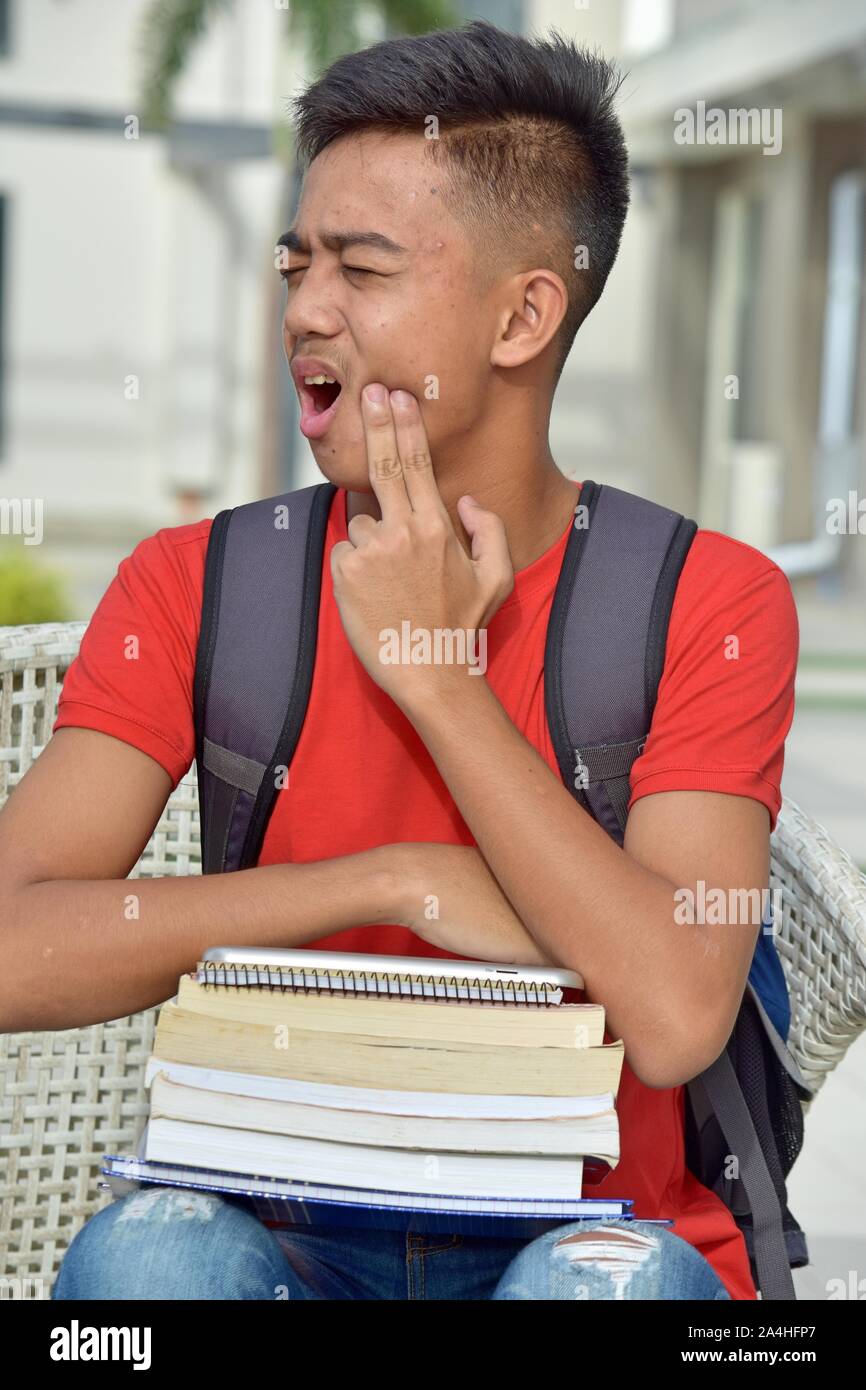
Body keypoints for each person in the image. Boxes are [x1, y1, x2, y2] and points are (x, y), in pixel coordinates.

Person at [2, 20, 797, 1301]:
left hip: (588, 1238)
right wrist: (388, 881)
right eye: (296, 263)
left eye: (361, 269)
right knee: (144, 1266)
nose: (307, 311)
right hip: (276, 1239)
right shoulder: (198, 585)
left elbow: (671, 1010)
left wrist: (435, 677)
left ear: (523, 313)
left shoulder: (706, 599)